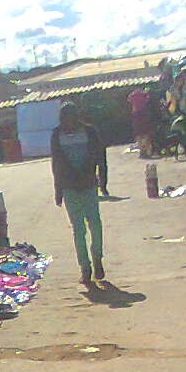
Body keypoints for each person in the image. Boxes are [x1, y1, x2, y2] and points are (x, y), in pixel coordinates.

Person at [50, 102, 109, 286]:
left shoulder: (89, 132)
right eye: (66, 117)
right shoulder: (56, 134)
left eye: (72, 117)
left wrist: (103, 181)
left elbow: (100, 157)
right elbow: (56, 163)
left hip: (88, 184)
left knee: (95, 224)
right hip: (69, 187)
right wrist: (58, 189)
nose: (69, 121)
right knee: (79, 229)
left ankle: (97, 258)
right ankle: (85, 267)